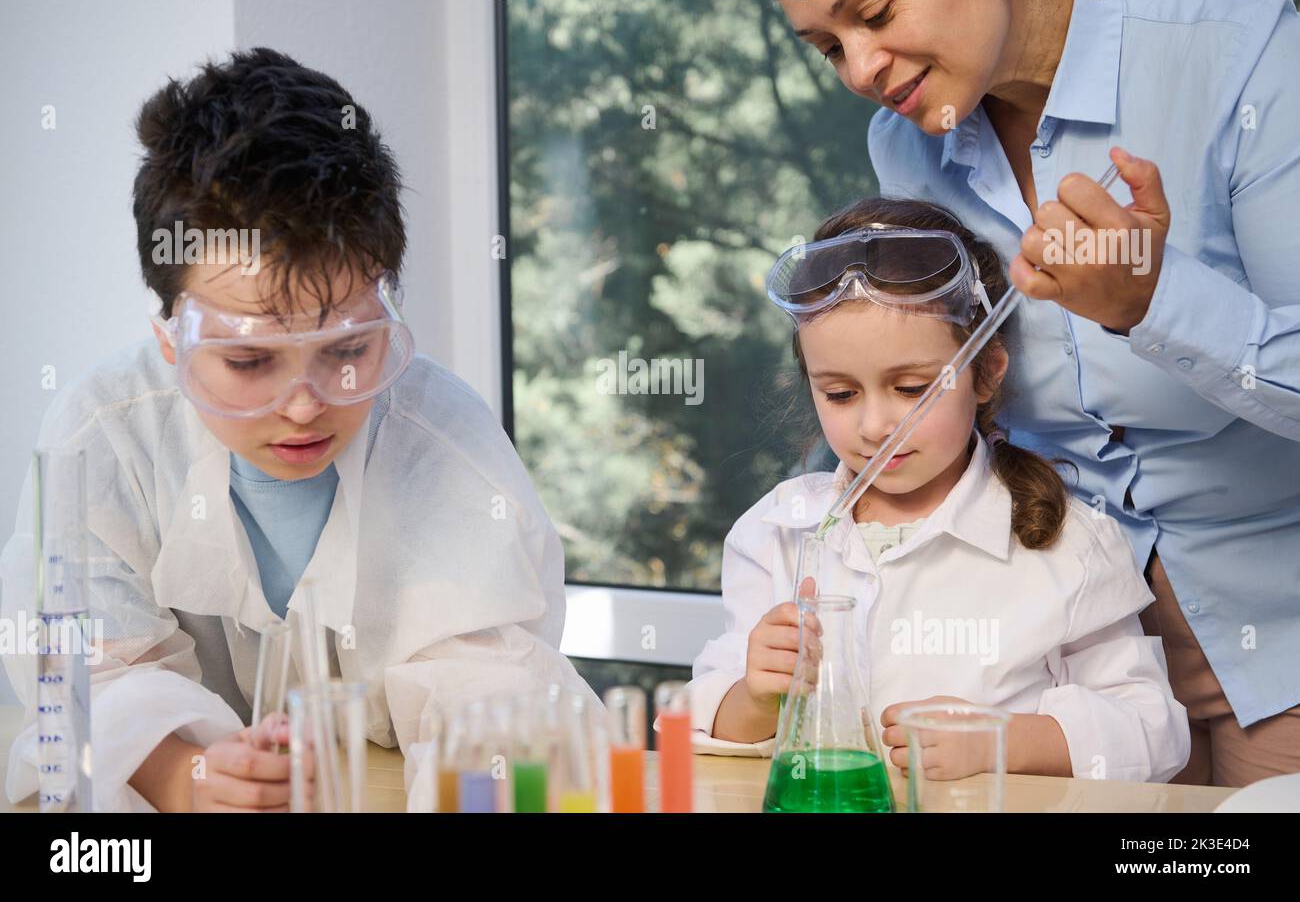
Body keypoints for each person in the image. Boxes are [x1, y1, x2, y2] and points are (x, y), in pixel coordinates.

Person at [747, 0, 1300, 785]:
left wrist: (1153, 300)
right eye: (827, 46)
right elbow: (935, 386)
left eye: (877, 12)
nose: (860, 69)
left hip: (1278, 644)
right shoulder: (905, 144)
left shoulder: (1244, 56)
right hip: (1062, 674)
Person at [0, 48, 596, 812]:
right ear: (168, 342)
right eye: (249, 360)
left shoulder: (441, 441)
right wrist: (187, 777)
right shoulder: (104, 434)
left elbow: (499, 691)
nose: (306, 403)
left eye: (348, 350)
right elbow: (87, 677)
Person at [690, 197, 1189, 783]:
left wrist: (1003, 743)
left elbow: (1153, 730)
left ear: (987, 372)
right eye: (841, 394)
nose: (877, 425)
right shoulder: (775, 533)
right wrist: (754, 697)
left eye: (911, 388)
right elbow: (706, 720)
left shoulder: (1066, 542)